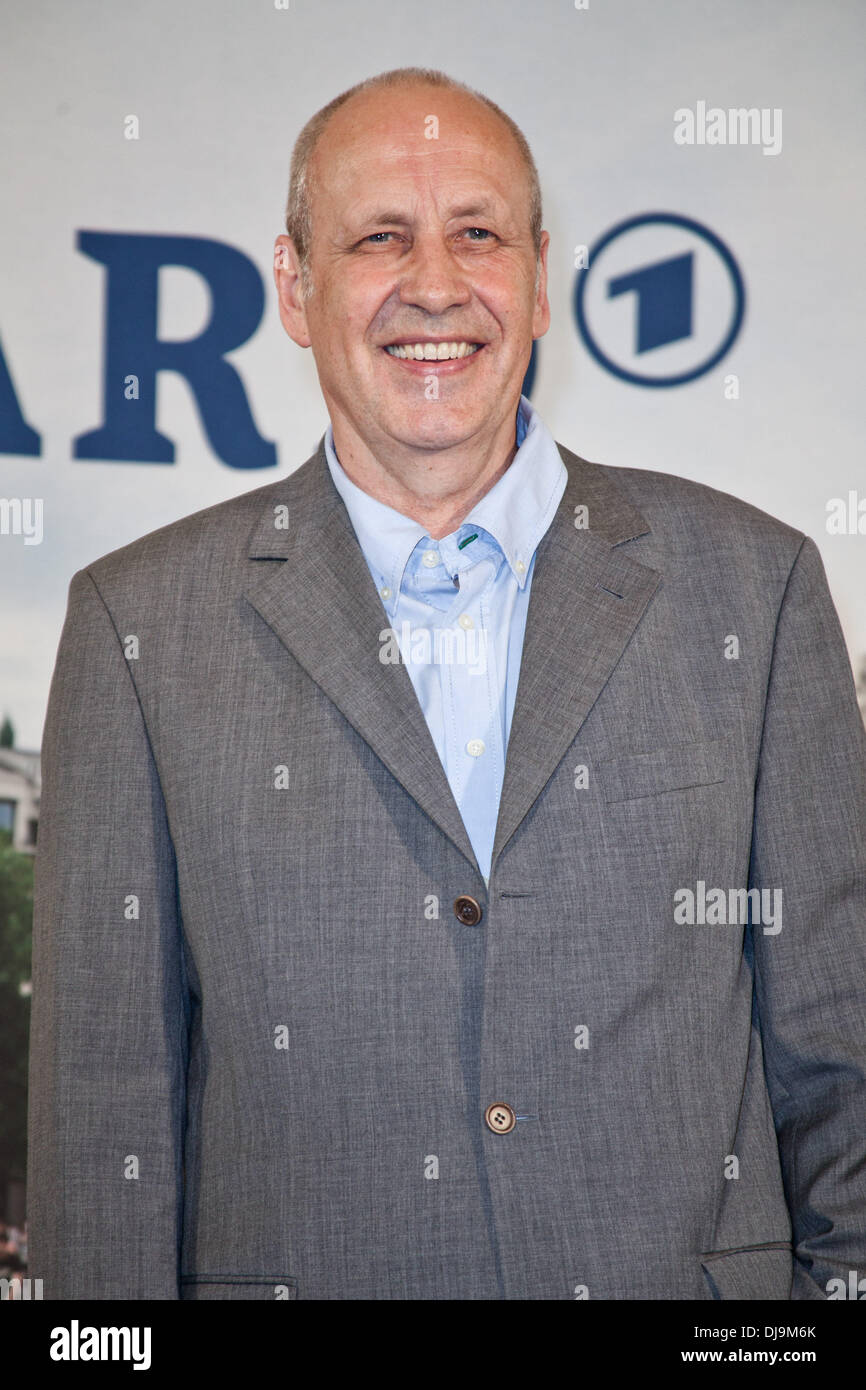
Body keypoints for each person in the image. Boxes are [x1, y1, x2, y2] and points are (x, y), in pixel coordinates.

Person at [27, 66, 866, 1300]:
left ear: (538, 278)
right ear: (295, 288)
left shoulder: (758, 589)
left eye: (476, 232)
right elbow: (105, 1118)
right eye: (379, 237)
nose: (434, 283)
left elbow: (840, 1062)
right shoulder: (134, 626)